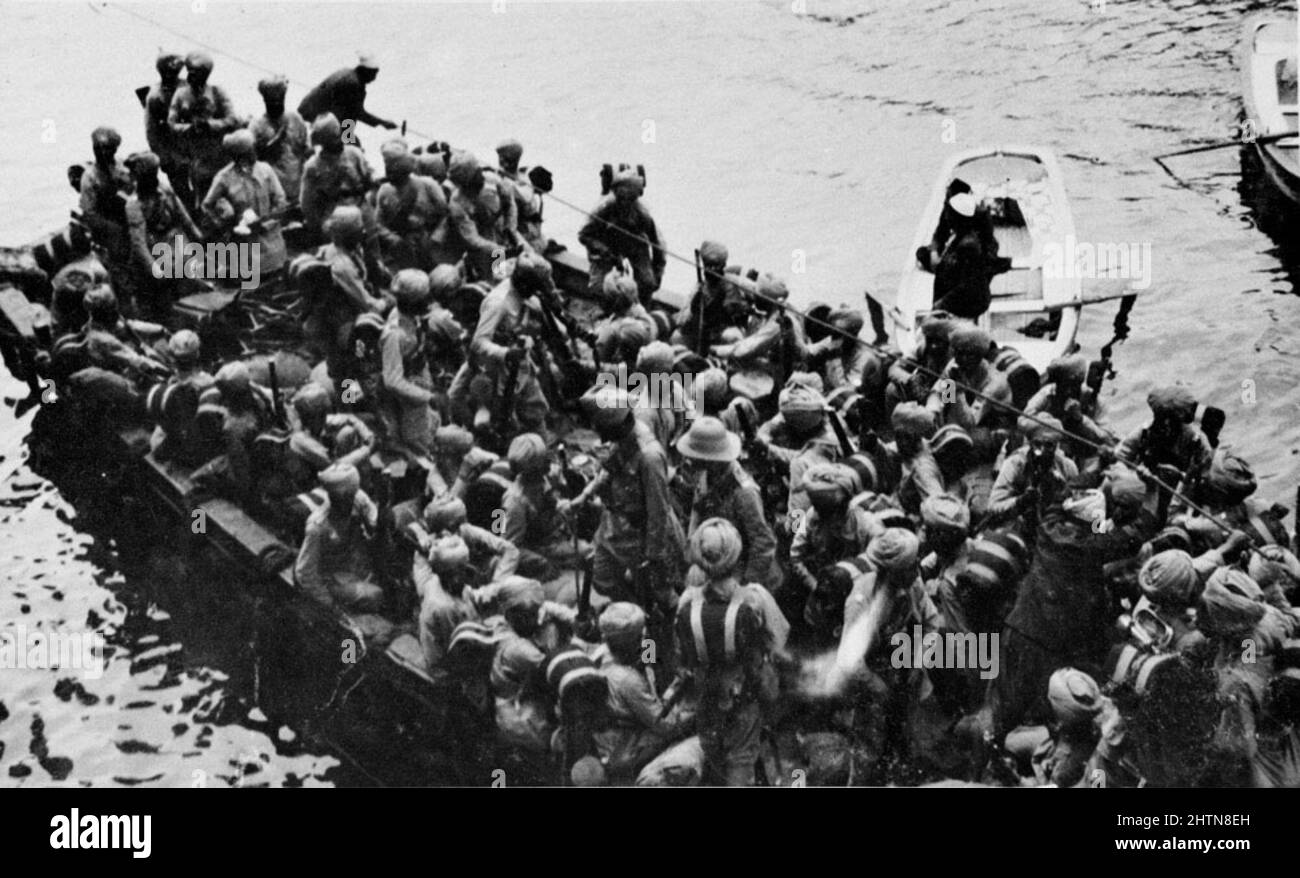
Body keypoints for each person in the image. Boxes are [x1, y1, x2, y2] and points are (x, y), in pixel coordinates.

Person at [673, 518, 778, 786]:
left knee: (714, 756)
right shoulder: (753, 598)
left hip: (705, 695)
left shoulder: (687, 600)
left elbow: (681, 654)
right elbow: (774, 643)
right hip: (744, 697)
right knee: (741, 762)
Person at [839, 527, 943, 775]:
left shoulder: (912, 584)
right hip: (870, 680)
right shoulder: (861, 602)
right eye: (910, 564)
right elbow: (849, 660)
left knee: (904, 743)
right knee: (868, 752)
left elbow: (932, 622)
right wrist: (878, 688)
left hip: (904, 672)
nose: (917, 566)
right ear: (892, 571)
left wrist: (919, 662)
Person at [582, 385, 685, 612]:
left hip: (642, 536)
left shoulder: (649, 456)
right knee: (602, 577)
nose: (600, 435)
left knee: (660, 595)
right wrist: (586, 494)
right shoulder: (622, 439)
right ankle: (632, 612)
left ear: (617, 425)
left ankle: (667, 629)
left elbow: (658, 509)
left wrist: (654, 554)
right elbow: (609, 468)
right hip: (613, 526)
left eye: (602, 429)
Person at [449, 252, 554, 433]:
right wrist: (505, 353)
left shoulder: (526, 297)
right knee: (458, 397)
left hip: (518, 362)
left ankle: (535, 447)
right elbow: (478, 342)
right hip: (491, 365)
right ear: (524, 284)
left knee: (535, 411)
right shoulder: (498, 303)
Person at [676, 417, 780, 591]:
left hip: (745, 566)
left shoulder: (744, 493)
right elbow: (698, 508)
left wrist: (746, 586)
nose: (690, 460)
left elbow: (763, 543)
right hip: (719, 557)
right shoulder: (707, 475)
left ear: (710, 459)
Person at [594, 602, 691, 784]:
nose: (645, 638)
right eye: (641, 635)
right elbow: (665, 725)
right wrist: (691, 708)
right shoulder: (627, 680)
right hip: (624, 747)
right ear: (634, 640)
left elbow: (649, 664)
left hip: (607, 738)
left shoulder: (601, 653)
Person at [307, 205, 391, 378]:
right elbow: (368, 305)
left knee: (356, 365)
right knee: (350, 369)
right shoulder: (341, 265)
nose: (364, 233)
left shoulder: (342, 250)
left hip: (344, 320)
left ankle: (357, 397)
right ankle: (350, 401)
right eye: (359, 230)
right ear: (348, 234)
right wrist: (388, 301)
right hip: (344, 326)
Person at [123, 150, 203, 319]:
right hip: (154, 250)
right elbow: (139, 244)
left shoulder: (164, 190)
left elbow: (183, 216)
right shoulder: (134, 205)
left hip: (175, 244)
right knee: (159, 297)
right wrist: (155, 270)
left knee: (189, 284)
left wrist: (199, 237)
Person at [295, 463, 384, 612]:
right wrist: (328, 602)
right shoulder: (318, 526)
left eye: (348, 496)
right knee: (375, 595)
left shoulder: (358, 499)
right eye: (336, 497)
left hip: (349, 563)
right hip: (329, 577)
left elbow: (374, 521)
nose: (344, 502)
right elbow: (304, 573)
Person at [500, 433, 587, 581]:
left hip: (556, 531)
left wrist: (563, 492)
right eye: (544, 459)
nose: (549, 461)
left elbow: (552, 506)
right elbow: (507, 545)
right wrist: (541, 563)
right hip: (541, 548)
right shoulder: (515, 501)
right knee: (588, 554)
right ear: (532, 469)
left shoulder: (541, 479)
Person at [201, 129, 288, 274]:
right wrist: (223, 224)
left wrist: (265, 224)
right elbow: (207, 205)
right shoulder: (224, 178)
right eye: (250, 150)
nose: (254, 152)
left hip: (272, 243)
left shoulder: (265, 171)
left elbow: (281, 202)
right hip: (243, 244)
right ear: (239, 156)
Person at [577, 168, 666, 305]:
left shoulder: (643, 214)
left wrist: (657, 274)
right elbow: (583, 234)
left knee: (647, 283)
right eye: (621, 199)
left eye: (629, 200)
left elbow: (658, 246)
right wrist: (603, 250)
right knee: (598, 287)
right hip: (607, 244)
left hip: (635, 245)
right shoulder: (604, 208)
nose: (624, 203)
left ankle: (641, 309)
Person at [167, 52, 241, 205]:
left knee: (231, 196)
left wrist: (210, 125)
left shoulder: (217, 92)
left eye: (196, 74)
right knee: (204, 199)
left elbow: (232, 119)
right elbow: (171, 124)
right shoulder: (181, 95)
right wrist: (189, 128)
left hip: (220, 154)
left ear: (205, 75)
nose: (191, 77)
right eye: (189, 73)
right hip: (197, 157)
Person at [927, 191, 1012, 319]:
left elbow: (969, 285)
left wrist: (941, 304)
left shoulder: (968, 246)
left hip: (968, 303)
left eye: (948, 213)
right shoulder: (960, 237)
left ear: (957, 218)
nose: (945, 217)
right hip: (959, 299)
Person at [379, 268, 438, 454]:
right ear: (412, 303)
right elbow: (393, 381)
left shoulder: (412, 318)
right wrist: (428, 397)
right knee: (419, 443)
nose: (429, 302)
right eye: (424, 299)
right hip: (403, 396)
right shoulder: (395, 334)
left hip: (417, 380)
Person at [1117, 385, 1213, 496]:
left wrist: (1181, 477)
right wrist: (1136, 474)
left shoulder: (1196, 440)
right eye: (1161, 419)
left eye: (1170, 420)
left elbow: (1204, 478)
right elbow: (1119, 460)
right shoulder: (1144, 432)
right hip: (1146, 489)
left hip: (1181, 494)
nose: (1165, 424)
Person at [300, 113, 378, 248]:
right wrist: (317, 227)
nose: (339, 142)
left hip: (361, 209)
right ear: (324, 142)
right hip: (335, 215)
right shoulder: (313, 166)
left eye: (338, 136)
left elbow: (371, 175)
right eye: (333, 139)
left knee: (372, 250)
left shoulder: (354, 153)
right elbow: (307, 203)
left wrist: (372, 181)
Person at [986, 415, 1079, 527]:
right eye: (1038, 444)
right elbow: (993, 505)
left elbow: (1077, 505)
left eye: (1049, 445)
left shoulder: (1067, 467)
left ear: (1056, 447)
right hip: (1017, 521)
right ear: (1030, 443)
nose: (1042, 451)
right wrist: (1021, 501)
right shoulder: (1015, 463)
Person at [373, 138, 449, 272]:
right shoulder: (385, 191)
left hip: (428, 240)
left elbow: (446, 213)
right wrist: (393, 239)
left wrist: (436, 237)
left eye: (393, 172)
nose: (389, 175)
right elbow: (378, 223)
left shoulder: (427, 185)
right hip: (402, 244)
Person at [445, 151, 523, 282]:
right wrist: (500, 250)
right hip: (484, 242)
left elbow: (510, 203)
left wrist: (510, 228)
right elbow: (472, 239)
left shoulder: (492, 180)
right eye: (476, 175)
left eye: (479, 172)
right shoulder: (457, 203)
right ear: (467, 182)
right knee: (498, 276)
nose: (482, 176)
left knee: (529, 259)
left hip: (503, 230)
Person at [148, 329, 215, 464]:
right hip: (203, 437)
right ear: (197, 354)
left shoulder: (172, 387)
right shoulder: (210, 381)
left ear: (173, 357)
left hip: (185, 438)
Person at [297, 53, 398, 139]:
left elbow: (349, 112)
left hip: (306, 109)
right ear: (366, 71)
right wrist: (383, 123)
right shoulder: (354, 84)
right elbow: (357, 113)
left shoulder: (346, 72)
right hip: (314, 115)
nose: (374, 78)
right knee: (347, 135)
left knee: (347, 121)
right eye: (374, 74)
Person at [250, 75, 311, 212]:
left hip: (298, 191)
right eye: (272, 101)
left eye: (280, 100)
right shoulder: (256, 126)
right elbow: (251, 160)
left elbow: (306, 150)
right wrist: (270, 146)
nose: (277, 104)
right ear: (265, 101)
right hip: (272, 195)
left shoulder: (295, 119)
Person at [679, 240, 753, 353]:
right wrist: (694, 309)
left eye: (716, 266)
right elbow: (682, 320)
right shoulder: (698, 288)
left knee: (732, 336)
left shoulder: (734, 282)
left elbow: (759, 291)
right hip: (705, 333)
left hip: (727, 330)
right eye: (709, 266)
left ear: (723, 265)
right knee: (677, 337)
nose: (712, 270)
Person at [142, 51, 193, 209]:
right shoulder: (155, 97)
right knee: (182, 202)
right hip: (174, 156)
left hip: (193, 150)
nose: (173, 74)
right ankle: (184, 235)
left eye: (176, 71)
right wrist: (165, 159)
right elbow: (152, 133)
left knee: (202, 192)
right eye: (170, 71)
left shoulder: (186, 87)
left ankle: (206, 227)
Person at [78, 127, 134, 262]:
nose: (102, 152)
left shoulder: (123, 166)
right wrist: (111, 227)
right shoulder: (90, 177)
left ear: (115, 149)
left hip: (128, 211)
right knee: (118, 239)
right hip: (106, 219)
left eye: (107, 148)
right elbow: (89, 213)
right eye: (98, 148)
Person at [495, 138, 548, 253]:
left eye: (504, 158)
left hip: (524, 234)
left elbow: (525, 197)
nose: (501, 161)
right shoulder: (500, 177)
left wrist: (504, 181)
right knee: (499, 260)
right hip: (505, 231)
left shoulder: (524, 179)